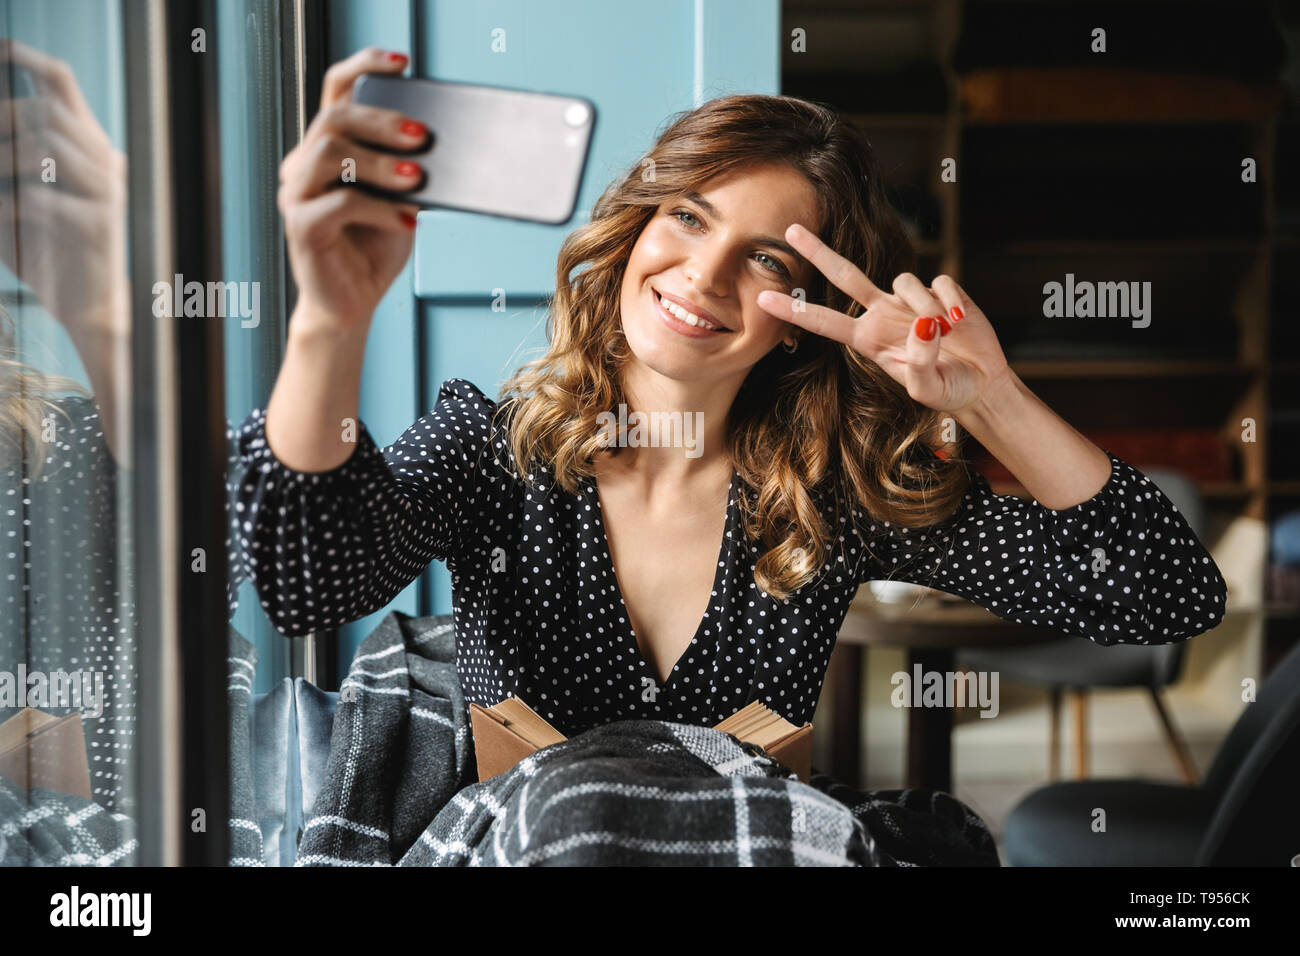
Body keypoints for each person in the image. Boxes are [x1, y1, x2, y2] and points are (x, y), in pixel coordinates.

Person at [234, 47, 1226, 775]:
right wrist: (329, 316)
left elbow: (1163, 596)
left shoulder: (831, 495)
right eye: (688, 216)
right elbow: (303, 584)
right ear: (635, 230)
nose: (703, 275)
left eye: (765, 258)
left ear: (798, 319)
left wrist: (994, 400)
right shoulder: (493, 450)